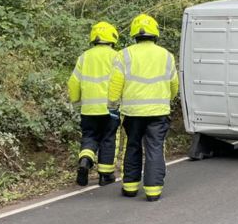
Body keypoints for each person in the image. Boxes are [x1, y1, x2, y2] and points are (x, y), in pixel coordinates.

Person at [108, 14, 178, 201]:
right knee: (154, 148)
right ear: (155, 33)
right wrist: (167, 99)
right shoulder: (166, 56)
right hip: (158, 112)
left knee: (133, 146)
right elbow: (174, 84)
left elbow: (115, 83)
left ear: (134, 34)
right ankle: (153, 191)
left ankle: (130, 187)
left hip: (132, 113)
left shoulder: (124, 55)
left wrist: (112, 105)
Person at [68, 22, 122, 186]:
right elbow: (121, 81)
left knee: (89, 136)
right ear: (112, 37)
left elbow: (73, 82)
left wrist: (77, 101)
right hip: (110, 108)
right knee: (108, 138)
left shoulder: (84, 57)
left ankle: (85, 159)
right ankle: (105, 175)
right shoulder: (117, 56)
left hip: (89, 108)